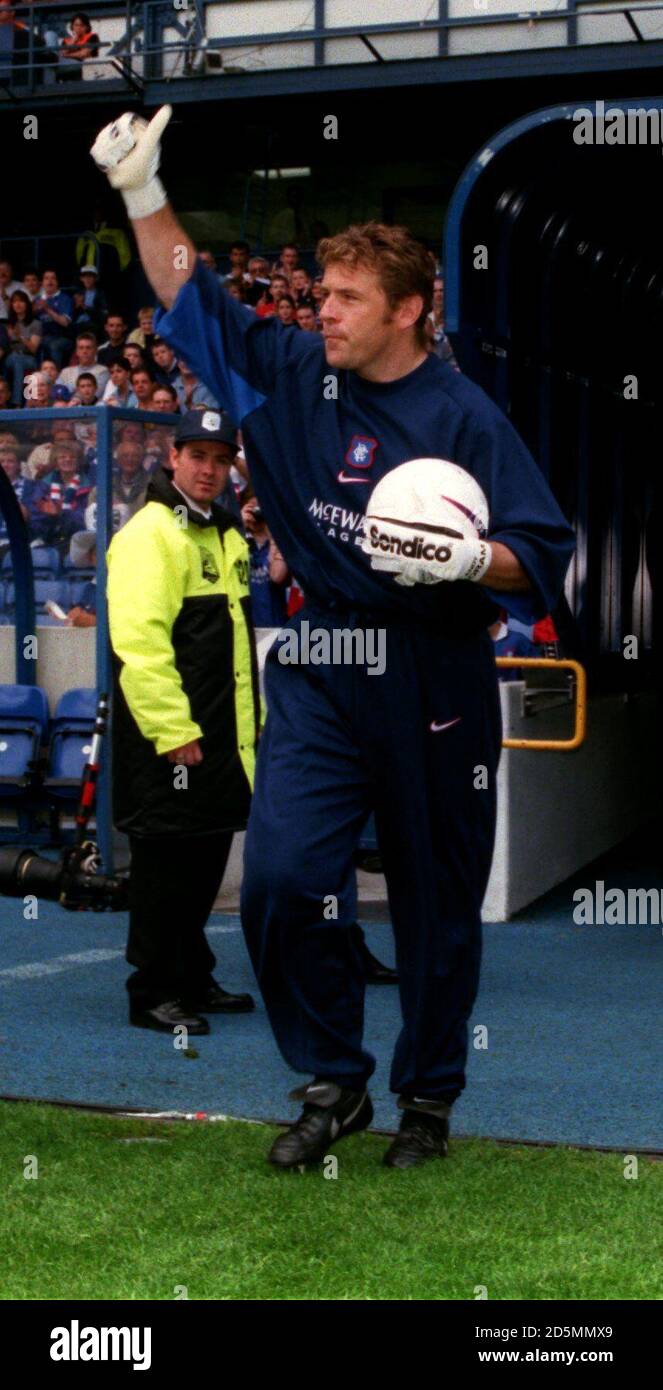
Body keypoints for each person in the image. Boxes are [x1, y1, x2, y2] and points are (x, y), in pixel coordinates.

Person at [92, 107, 575, 1169]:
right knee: (280, 877)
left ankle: (430, 1098)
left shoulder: (466, 421)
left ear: (411, 310)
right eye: (322, 293)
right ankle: (332, 1078)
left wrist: (465, 561)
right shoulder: (287, 374)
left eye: (350, 299)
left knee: (437, 904)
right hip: (316, 664)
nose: (326, 313)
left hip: (433, 670)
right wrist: (141, 189)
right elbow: (187, 291)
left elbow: (542, 550)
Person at [106, 410, 260, 1034]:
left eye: (221, 460)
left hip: (222, 738)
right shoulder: (150, 533)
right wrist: (174, 730)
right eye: (198, 456)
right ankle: (152, 991)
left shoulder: (225, 532)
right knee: (166, 868)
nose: (209, 470)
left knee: (202, 862)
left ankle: (192, 975)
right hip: (173, 741)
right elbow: (139, 643)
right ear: (174, 458)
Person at [4, 290, 42, 405]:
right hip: (10, 357)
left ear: (27, 304)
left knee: (18, 361)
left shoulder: (35, 324)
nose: (18, 304)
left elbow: (34, 348)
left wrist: (19, 337)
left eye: (21, 301)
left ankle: (16, 403)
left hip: (29, 358)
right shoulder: (8, 324)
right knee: (15, 359)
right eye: (14, 302)